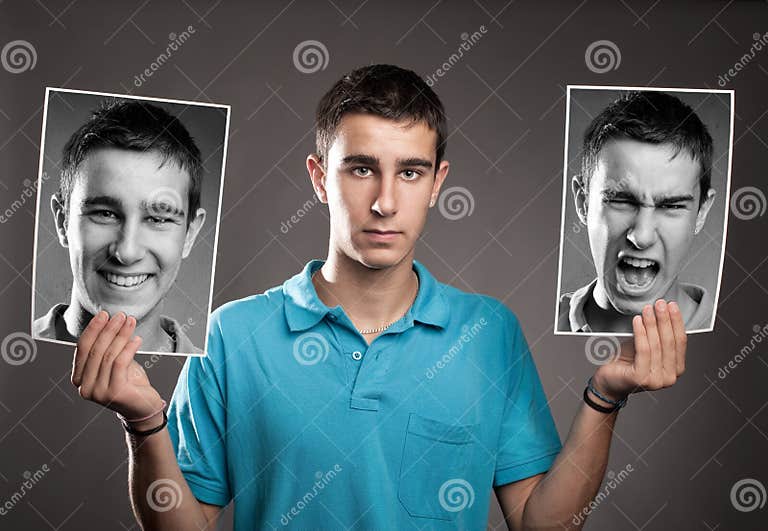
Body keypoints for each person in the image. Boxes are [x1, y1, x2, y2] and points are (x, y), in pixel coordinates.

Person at [71, 65, 688, 530]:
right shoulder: (234, 334)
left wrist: (605, 398)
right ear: (320, 178)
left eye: (410, 172)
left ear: (437, 183)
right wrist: (142, 422)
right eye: (361, 169)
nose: (386, 202)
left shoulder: (489, 333)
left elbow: (540, 523)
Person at [34, 99, 206, 353]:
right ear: (62, 221)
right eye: (105, 214)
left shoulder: (214, 373)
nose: (127, 253)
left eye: (158, 219)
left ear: (190, 234)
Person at [558, 90, 717, 334]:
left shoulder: (736, 334)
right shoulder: (529, 324)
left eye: (671, 206)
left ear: (702, 212)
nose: (641, 237)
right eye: (621, 200)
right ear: (583, 202)